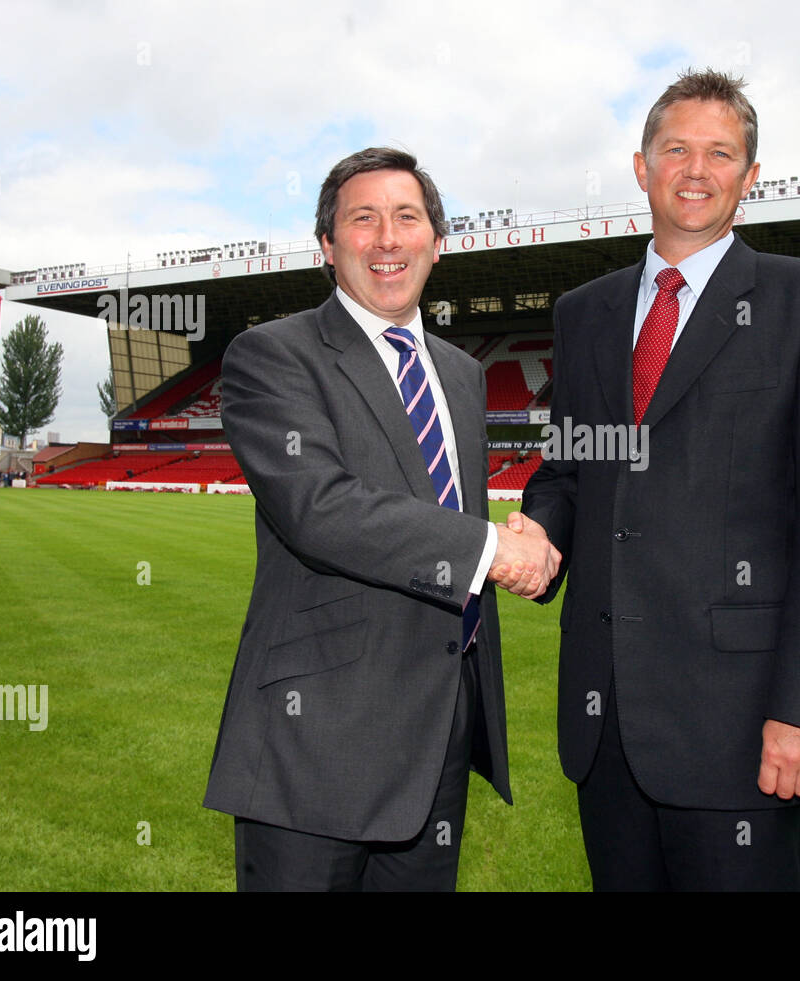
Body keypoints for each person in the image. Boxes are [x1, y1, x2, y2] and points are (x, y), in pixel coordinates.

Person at [518, 69, 800, 891]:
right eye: (675, 148)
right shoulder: (586, 312)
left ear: (750, 177)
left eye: (721, 153)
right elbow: (571, 467)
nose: (696, 168)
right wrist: (541, 529)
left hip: (744, 725)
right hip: (604, 718)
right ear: (641, 166)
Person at [203, 147, 559, 891]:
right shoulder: (273, 355)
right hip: (317, 743)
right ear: (328, 248)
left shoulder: (460, 374)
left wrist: (514, 537)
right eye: (362, 220)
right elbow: (320, 509)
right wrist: (493, 545)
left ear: (438, 241)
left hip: (440, 735)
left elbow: (433, 507)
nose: (387, 239)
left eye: (407, 218)